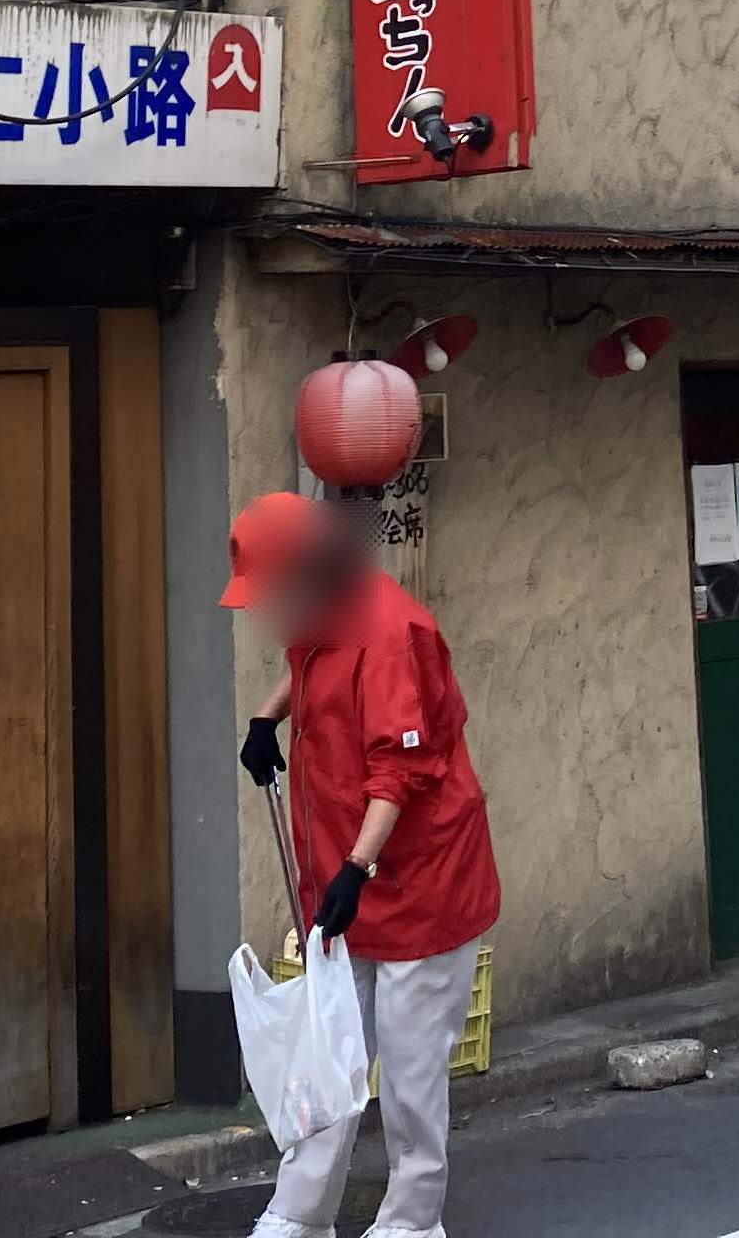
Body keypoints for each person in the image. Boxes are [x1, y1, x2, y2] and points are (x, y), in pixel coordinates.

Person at [227, 491, 501, 1238]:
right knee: (328, 1060)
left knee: (410, 1077)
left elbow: (399, 771)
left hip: (421, 883)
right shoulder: (320, 618)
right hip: (347, 886)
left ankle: (413, 1220)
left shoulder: (391, 633)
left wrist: (355, 868)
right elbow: (307, 664)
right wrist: (267, 714)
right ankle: (300, 1211)